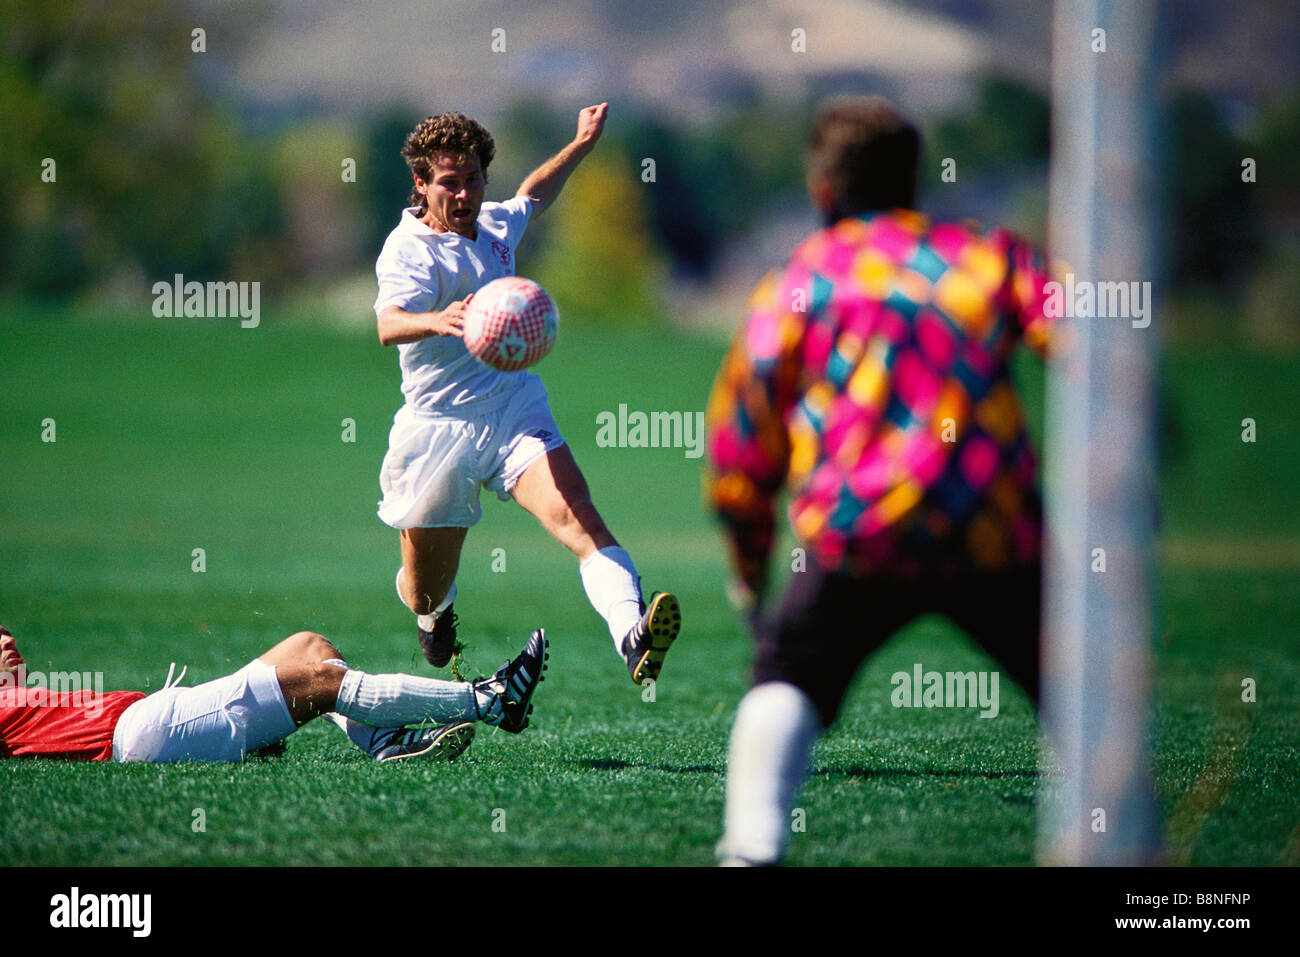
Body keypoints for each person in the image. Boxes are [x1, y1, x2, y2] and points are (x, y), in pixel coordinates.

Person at [705, 96, 1055, 865]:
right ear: (914, 181)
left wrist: (749, 563)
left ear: (821, 188)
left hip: (860, 526)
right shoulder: (992, 255)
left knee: (789, 672)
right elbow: (1085, 335)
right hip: (992, 525)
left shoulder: (799, 281)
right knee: (1075, 685)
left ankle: (751, 850)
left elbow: (742, 438)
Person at [373, 104, 681, 685]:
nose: (462, 195)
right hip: (439, 425)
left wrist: (582, 144)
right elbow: (388, 324)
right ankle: (433, 615)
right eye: (447, 183)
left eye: (472, 180)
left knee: (579, 518)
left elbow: (534, 196)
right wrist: (437, 319)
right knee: (424, 588)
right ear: (421, 183)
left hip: (513, 408)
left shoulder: (492, 223)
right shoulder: (408, 250)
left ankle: (632, 635)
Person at [0, 623, 547, 764]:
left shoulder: (22, 702)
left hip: (150, 718)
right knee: (325, 685)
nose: (9, 642)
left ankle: (384, 741)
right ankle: (491, 700)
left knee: (312, 646)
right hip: (142, 733)